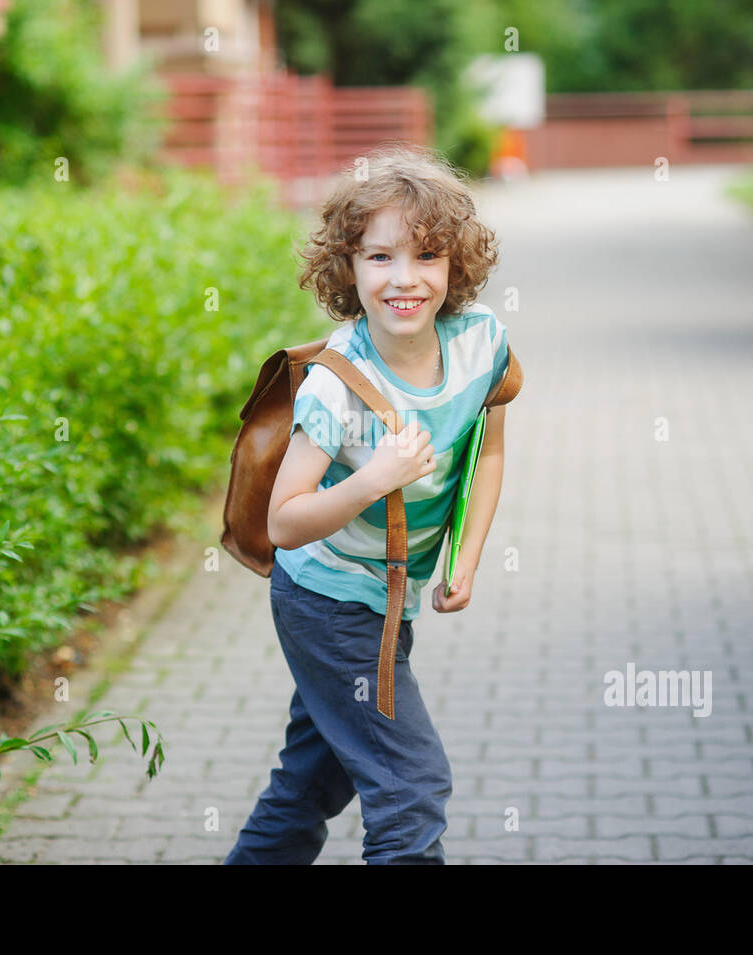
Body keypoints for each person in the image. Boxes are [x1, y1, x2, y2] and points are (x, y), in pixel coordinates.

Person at [223, 144, 513, 865]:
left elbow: (492, 450)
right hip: (326, 600)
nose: (405, 279)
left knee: (311, 783)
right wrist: (373, 477)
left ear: (456, 265)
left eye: (427, 256)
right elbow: (284, 521)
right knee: (410, 786)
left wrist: (467, 557)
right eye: (379, 258)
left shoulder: (483, 346)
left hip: (391, 597)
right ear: (347, 269)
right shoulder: (337, 384)